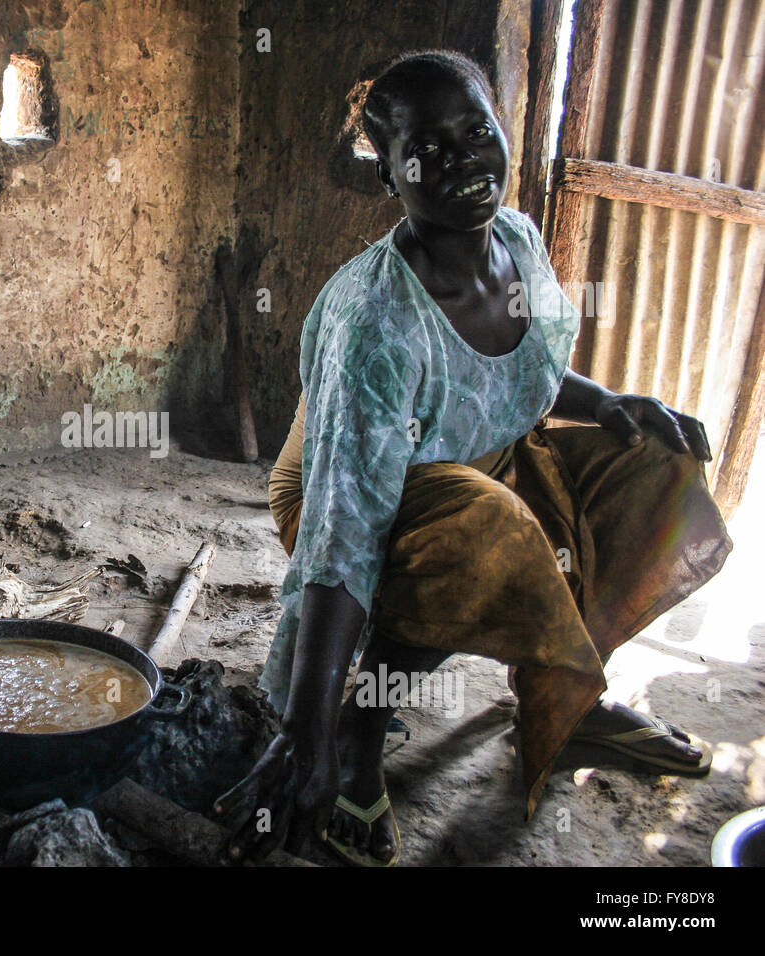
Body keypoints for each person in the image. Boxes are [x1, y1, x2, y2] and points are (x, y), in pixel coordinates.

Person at [214, 50, 732, 866]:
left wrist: (606, 405)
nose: (458, 158)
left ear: (503, 137)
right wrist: (302, 733)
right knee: (490, 534)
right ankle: (359, 731)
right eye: (426, 144)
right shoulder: (378, 325)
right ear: (389, 174)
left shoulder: (519, 242)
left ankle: (565, 691)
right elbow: (345, 531)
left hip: (481, 457)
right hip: (339, 491)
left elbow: (519, 369)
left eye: (475, 131)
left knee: (654, 470)